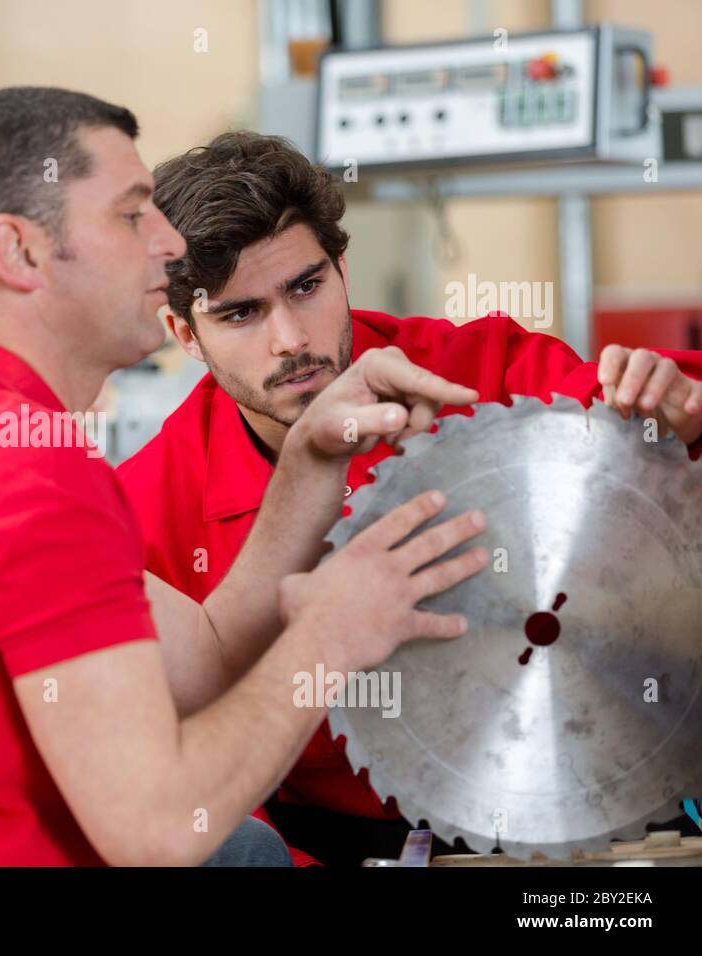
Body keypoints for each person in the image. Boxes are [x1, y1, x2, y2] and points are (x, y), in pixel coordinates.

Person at [0, 87, 490, 866]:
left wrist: (310, 459)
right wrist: (330, 636)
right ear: (19, 253)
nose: (169, 243)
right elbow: (159, 832)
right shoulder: (14, 472)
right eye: (133, 215)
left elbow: (203, 659)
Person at [116, 130, 702, 866]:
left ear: (342, 267)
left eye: (306, 286)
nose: (291, 339)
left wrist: (674, 413)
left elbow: (639, 411)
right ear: (182, 333)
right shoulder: (147, 503)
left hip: (586, 823)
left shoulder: (479, 371)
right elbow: (192, 761)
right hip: (338, 847)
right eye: (241, 314)